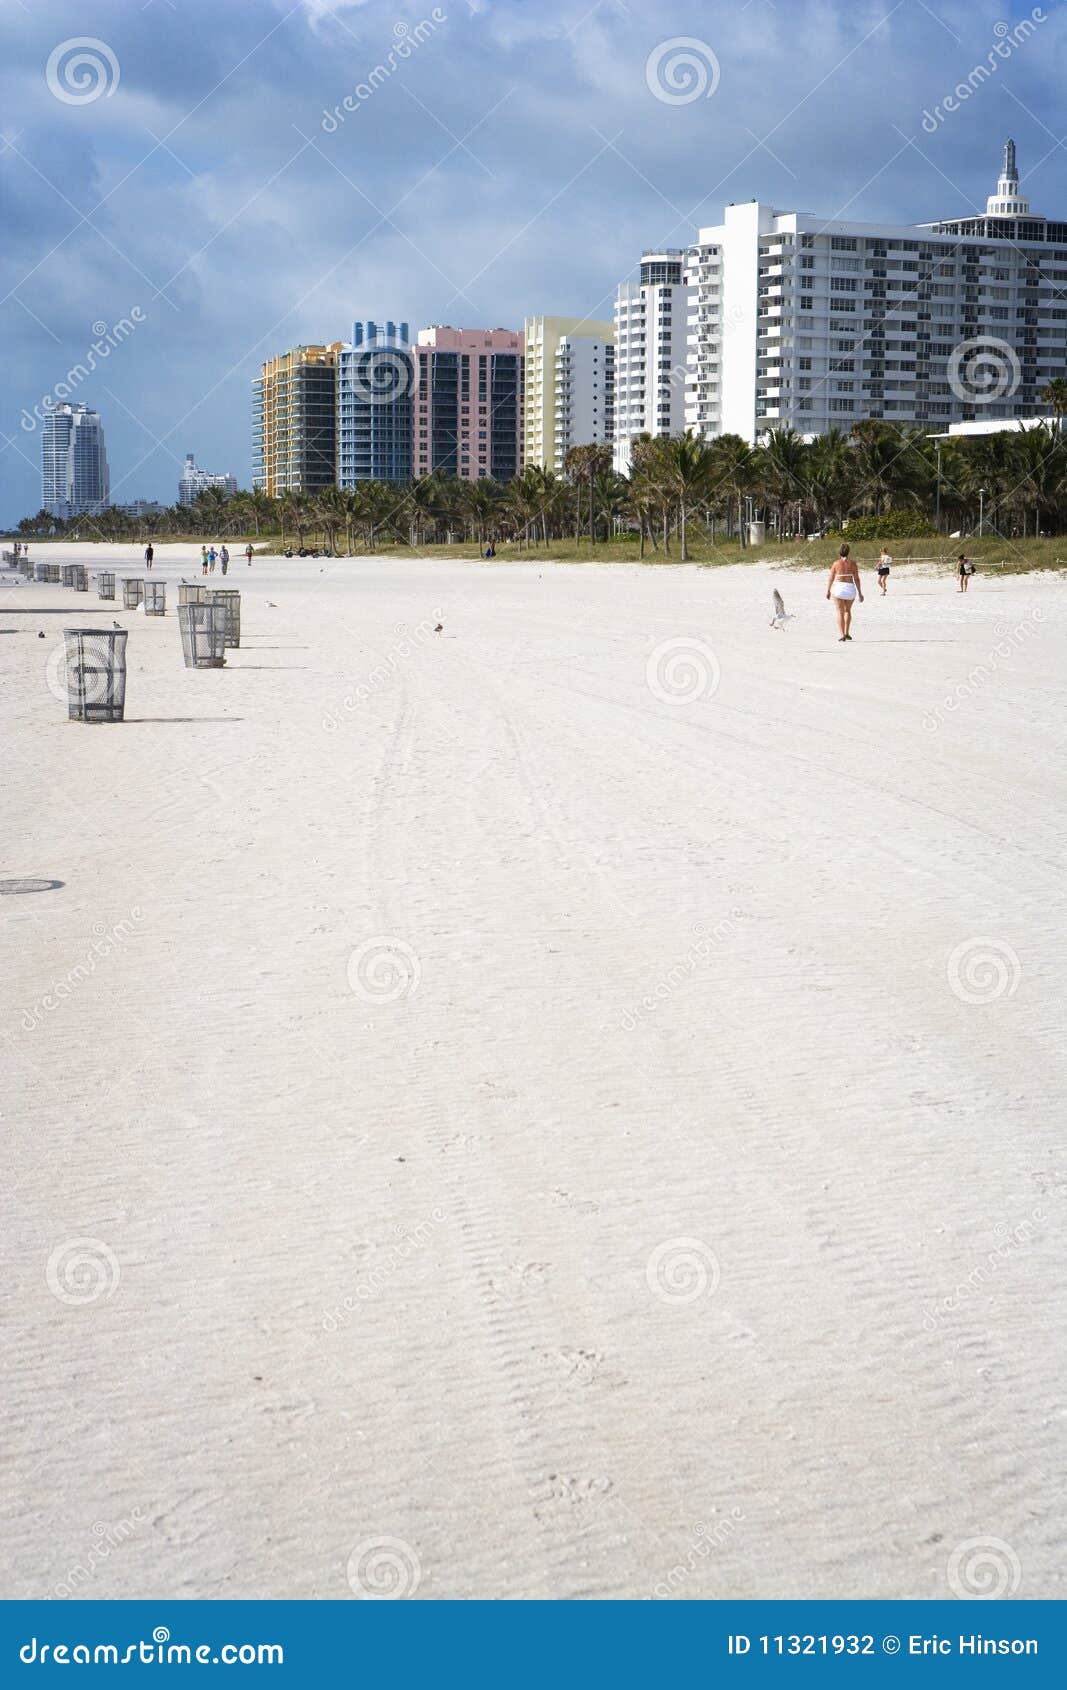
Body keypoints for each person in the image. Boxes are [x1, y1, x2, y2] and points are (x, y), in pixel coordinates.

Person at [826, 542, 863, 640]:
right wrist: (860, 593)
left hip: (838, 588)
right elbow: (857, 579)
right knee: (847, 611)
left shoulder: (836, 563)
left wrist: (828, 591)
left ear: (839, 552)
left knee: (839, 612)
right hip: (850, 588)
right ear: (848, 552)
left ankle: (842, 635)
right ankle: (847, 632)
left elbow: (831, 578)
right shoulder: (853, 564)